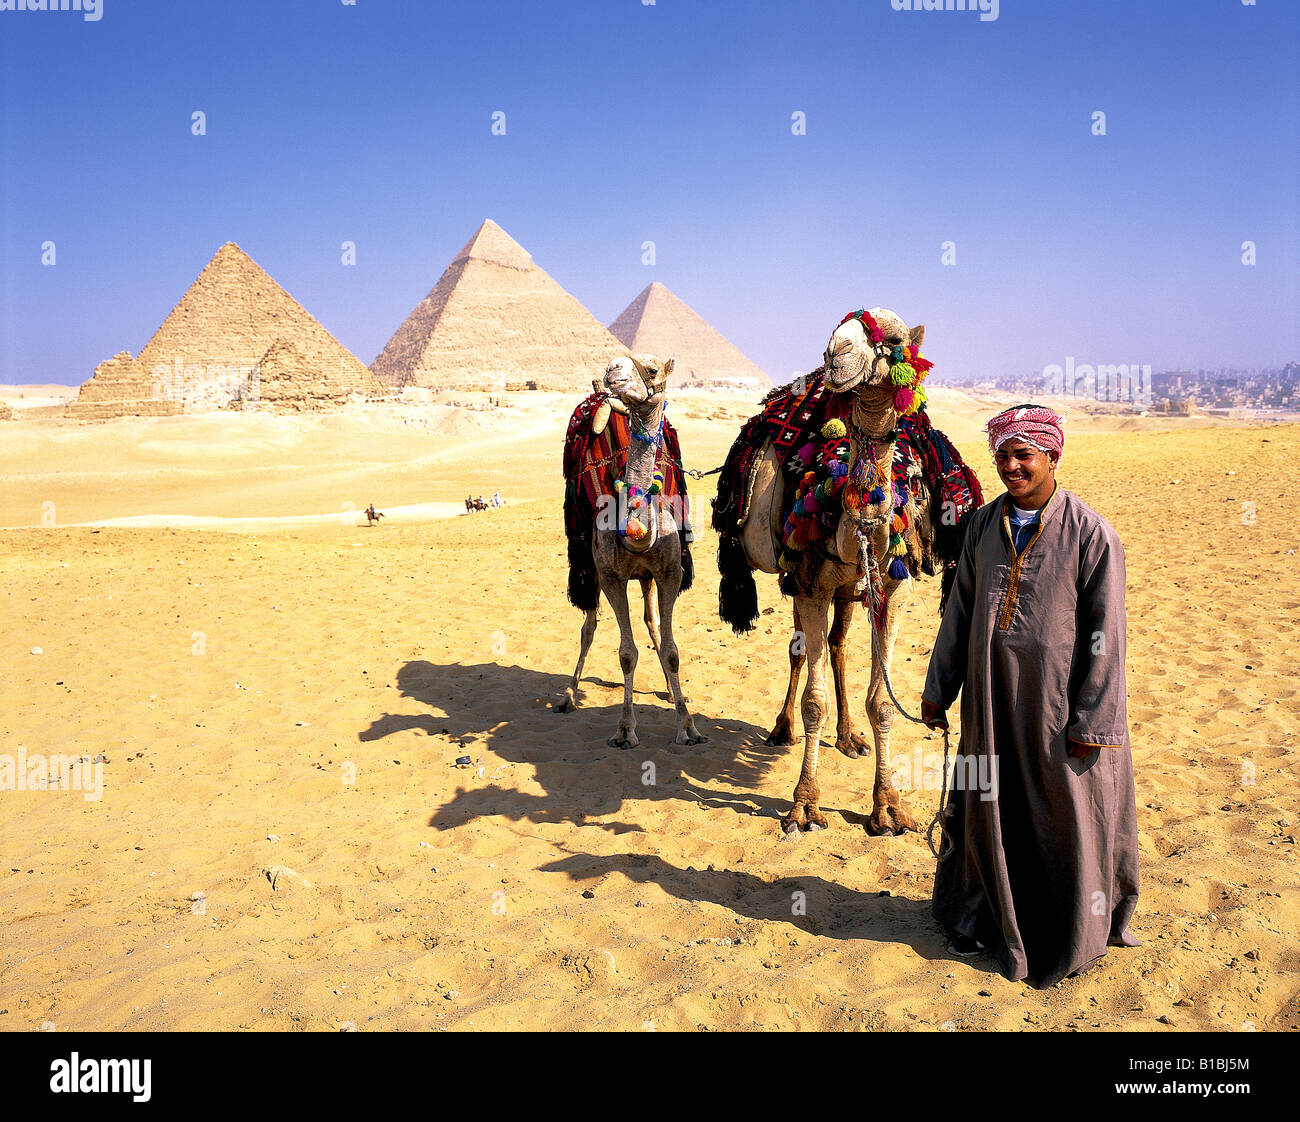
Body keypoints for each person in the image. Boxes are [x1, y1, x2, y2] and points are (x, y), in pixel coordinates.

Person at [920, 403, 1140, 988]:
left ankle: (1071, 926)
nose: (1012, 466)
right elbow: (958, 612)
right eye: (1003, 456)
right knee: (983, 802)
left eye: (1024, 455)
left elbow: (1106, 633)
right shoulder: (983, 526)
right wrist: (938, 687)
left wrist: (1093, 718)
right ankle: (979, 915)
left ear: (1052, 457)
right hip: (989, 704)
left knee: (1063, 812)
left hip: (1056, 708)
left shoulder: (1093, 534)